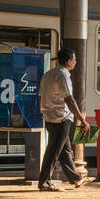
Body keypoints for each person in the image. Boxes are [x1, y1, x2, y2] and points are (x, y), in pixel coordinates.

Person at [37, 47, 88, 191]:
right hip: (61, 118)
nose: (76, 62)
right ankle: (45, 182)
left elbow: (40, 96)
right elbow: (69, 99)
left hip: (49, 117)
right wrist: (82, 120)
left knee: (65, 150)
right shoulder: (63, 75)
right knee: (53, 151)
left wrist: (47, 109)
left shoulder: (48, 74)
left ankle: (76, 179)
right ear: (68, 62)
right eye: (75, 59)